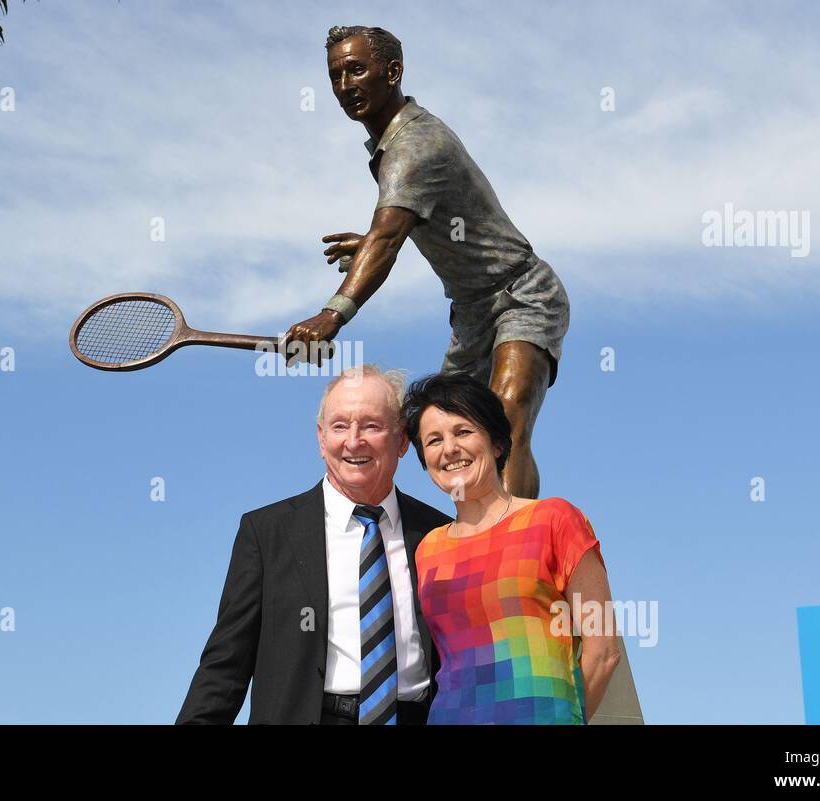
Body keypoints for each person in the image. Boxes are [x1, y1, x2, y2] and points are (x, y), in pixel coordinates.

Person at [283, 25, 570, 500]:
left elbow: (391, 235)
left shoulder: (415, 147)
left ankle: (517, 546)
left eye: (356, 69)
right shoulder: (390, 147)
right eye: (335, 75)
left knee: (505, 415)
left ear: (392, 72)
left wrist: (332, 314)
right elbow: (403, 226)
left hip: (523, 295)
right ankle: (473, 529)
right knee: (443, 430)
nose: (345, 85)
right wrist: (375, 239)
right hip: (472, 314)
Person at [177, 365, 452, 724]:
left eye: (371, 425)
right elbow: (225, 665)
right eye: (339, 426)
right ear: (321, 440)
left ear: (401, 440)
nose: (354, 441)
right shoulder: (267, 532)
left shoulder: (440, 533)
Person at [401, 372, 620, 724]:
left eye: (463, 431)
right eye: (433, 440)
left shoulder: (554, 520)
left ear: (497, 444)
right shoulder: (428, 549)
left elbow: (604, 651)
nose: (450, 449)